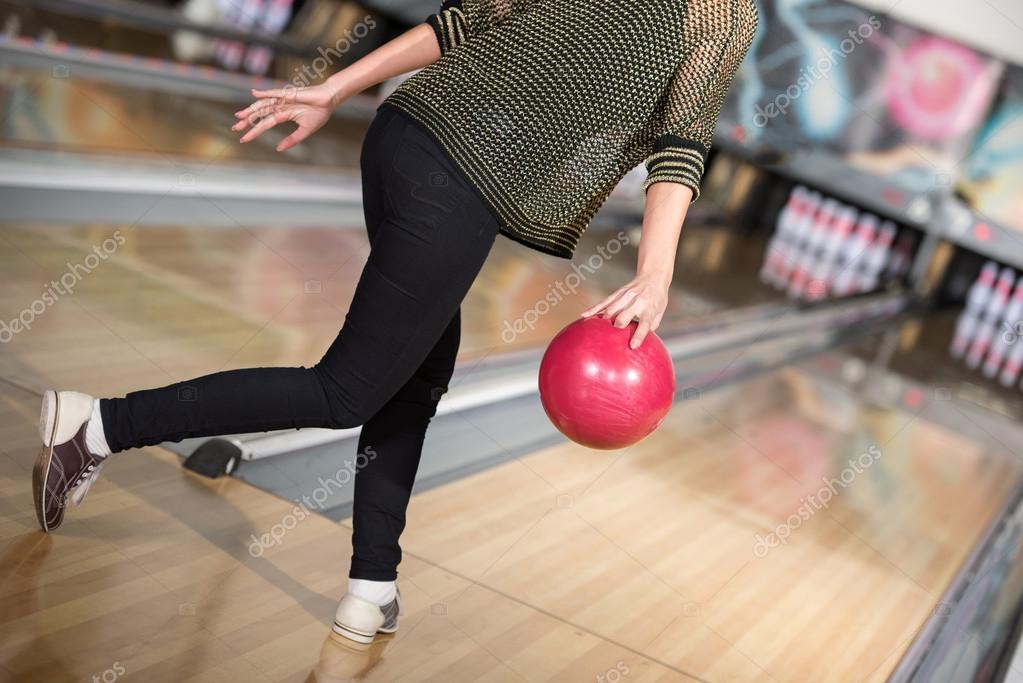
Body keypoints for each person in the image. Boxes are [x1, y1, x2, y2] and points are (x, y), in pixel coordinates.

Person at [32, 0, 757, 644]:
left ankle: (372, 585)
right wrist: (655, 276)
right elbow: (680, 146)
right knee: (345, 391)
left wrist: (336, 87)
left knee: (416, 374)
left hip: (404, 133)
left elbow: (462, 20)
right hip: (460, 180)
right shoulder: (723, 12)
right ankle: (98, 425)